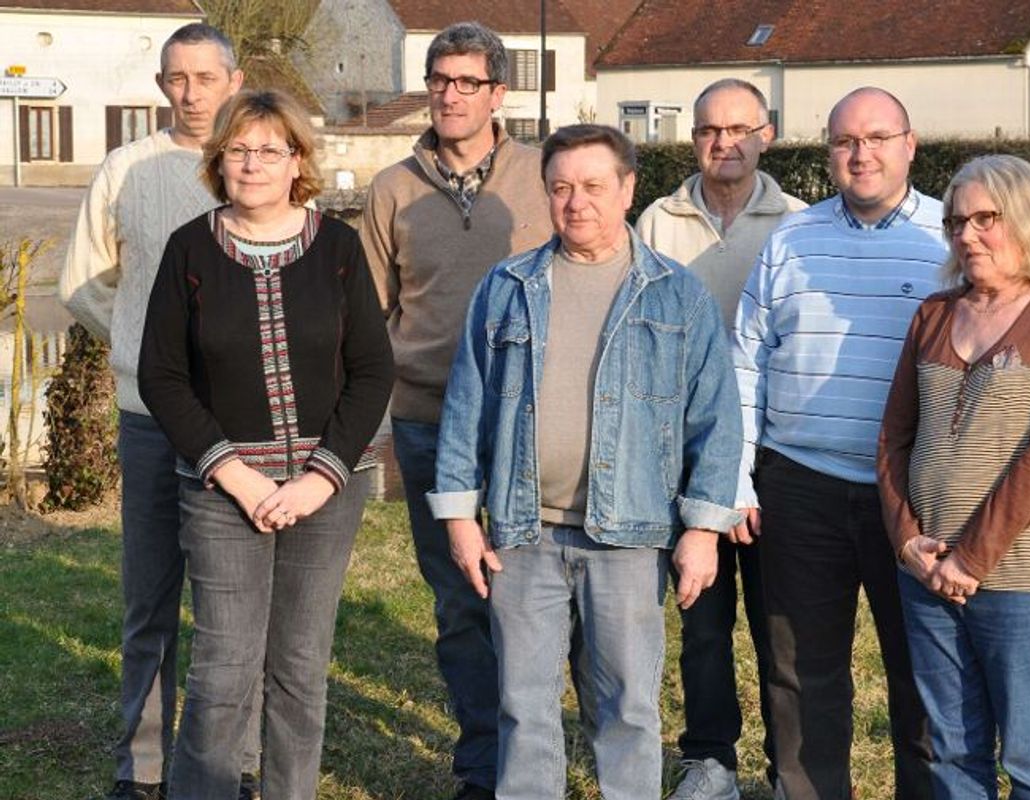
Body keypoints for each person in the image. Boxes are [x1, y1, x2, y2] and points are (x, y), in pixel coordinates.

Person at [428, 124, 742, 800]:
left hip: (629, 536)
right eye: (561, 188)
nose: (577, 203)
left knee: (628, 705)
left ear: (628, 189)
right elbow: (465, 405)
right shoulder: (506, 287)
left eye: (594, 187)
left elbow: (717, 420)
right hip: (522, 535)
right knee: (523, 705)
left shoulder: (677, 296)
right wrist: (458, 515)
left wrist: (703, 529)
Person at [137, 89, 392, 798]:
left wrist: (320, 479)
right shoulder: (190, 247)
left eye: (269, 151)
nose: (252, 164)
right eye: (238, 150)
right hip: (223, 493)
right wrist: (237, 475)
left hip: (324, 491)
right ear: (219, 160)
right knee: (223, 667)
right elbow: (162, 374)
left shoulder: (338, 248)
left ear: (297, 161)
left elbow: (372, 371)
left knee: (301, 667)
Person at [57, 24, 263, 800]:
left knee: (233, 608)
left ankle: (230, 762)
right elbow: (82, 282)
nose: (190, 93)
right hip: (150, 417)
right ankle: (140, 768)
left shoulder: (255, 167)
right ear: (162, 84)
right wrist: (150, 352)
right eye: (176, 78)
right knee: (150, 600)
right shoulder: (127, 169)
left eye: (205, 77)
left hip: (243, 423)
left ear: (234, 80)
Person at [359, 23, 553, 799]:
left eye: (467, 81)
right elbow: (371, 315)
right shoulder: (391, 189)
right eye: (440, 79)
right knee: (459, 600)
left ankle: (542, 748)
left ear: (497, 93)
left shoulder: (543, 176)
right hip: (430, 421)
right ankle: (484, 765)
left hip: (535, 423)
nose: (449, 94)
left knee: (538, 595)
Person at [733, 87, 940, 800]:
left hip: (911, 494)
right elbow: (746, 361)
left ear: (910, 144)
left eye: (878, 137)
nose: (862, 154)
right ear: (829, 153)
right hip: (801, 486)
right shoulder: (790, 239)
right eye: (846, 141)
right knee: (800, 672)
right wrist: (738, 479)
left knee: (922, 672)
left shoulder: (952, 239)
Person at [877, 154, 1030, 799]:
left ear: (1028, 219)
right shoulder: (935, 314)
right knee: (951, 753)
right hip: (927, 571)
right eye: (955, 223)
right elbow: (894, 437)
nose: (966, 236)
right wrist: (907, 542)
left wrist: (971, 559)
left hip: (1024, 577)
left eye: (985, 219)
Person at [636, 78, 805, 800]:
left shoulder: (797, 221)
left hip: (774, 456)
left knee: (782, 631)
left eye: (739, 130)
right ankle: (710, 761)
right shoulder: (656, 222)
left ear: (766, 135)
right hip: (683, 456)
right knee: (701, 623)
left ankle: (789, 769)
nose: (723, 143)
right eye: (709, 130)